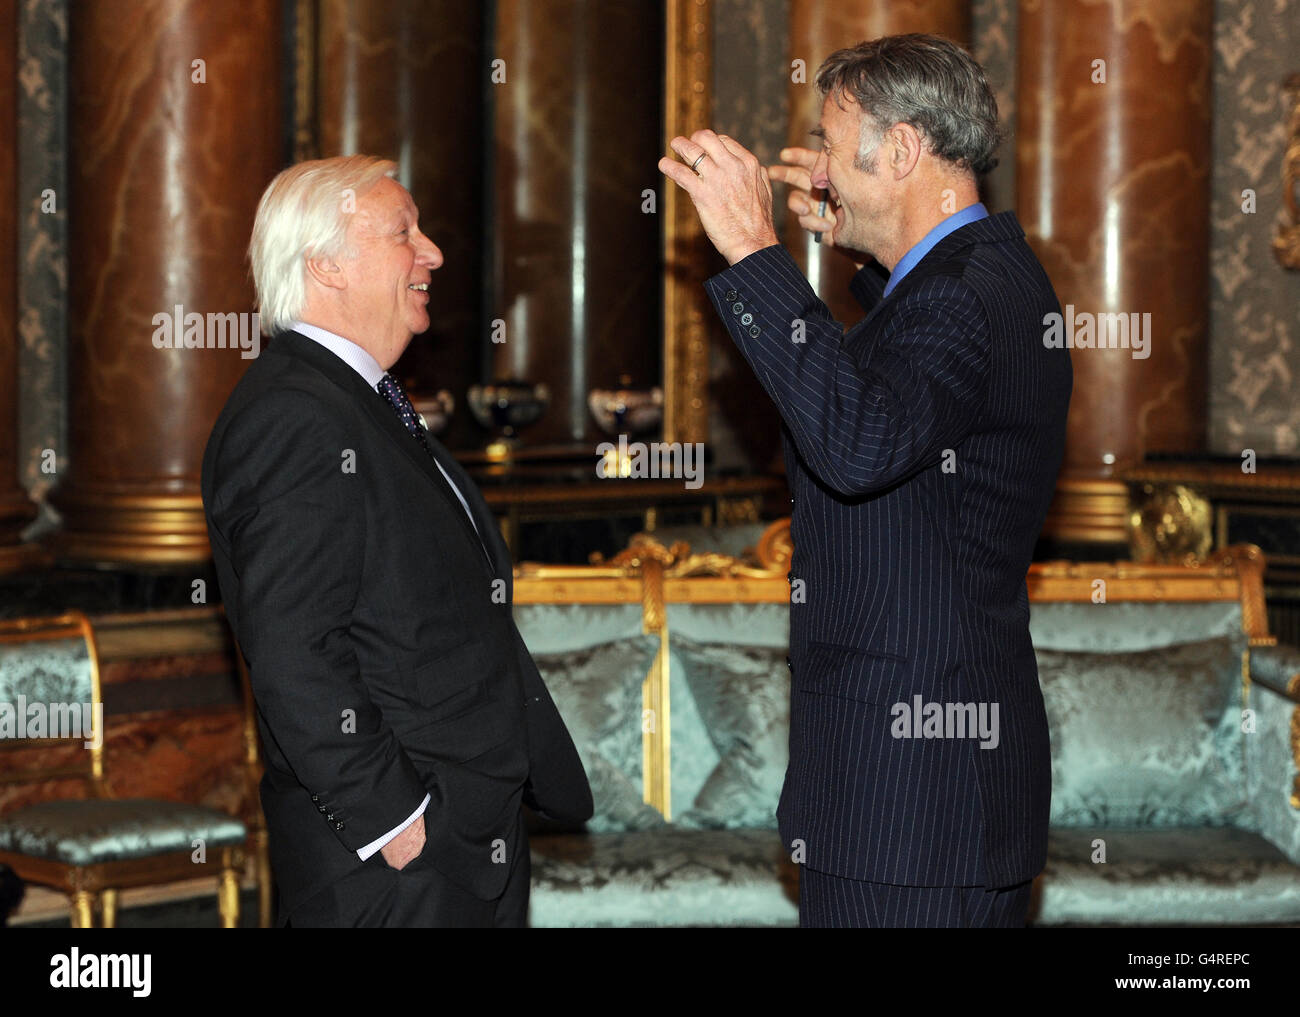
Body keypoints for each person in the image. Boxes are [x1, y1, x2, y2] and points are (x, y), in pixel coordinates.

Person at [658, 34, 1071, 927]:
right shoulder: (985, 277)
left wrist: (753, 249)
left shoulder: (961, 297)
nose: (822, 172)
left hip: (911, 801)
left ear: (907, 149)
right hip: (933, 798)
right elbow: (908, 403)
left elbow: (857, 443)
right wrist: (862, 244)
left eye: (837, 146)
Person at [202, 155, 591, 927]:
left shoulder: (356, 400)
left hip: (457, 837)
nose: (433, 252)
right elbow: (294, 648)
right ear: (326, 265)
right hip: (395, 868)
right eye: (402, 232)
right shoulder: (297, 416)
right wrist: (400, 821)